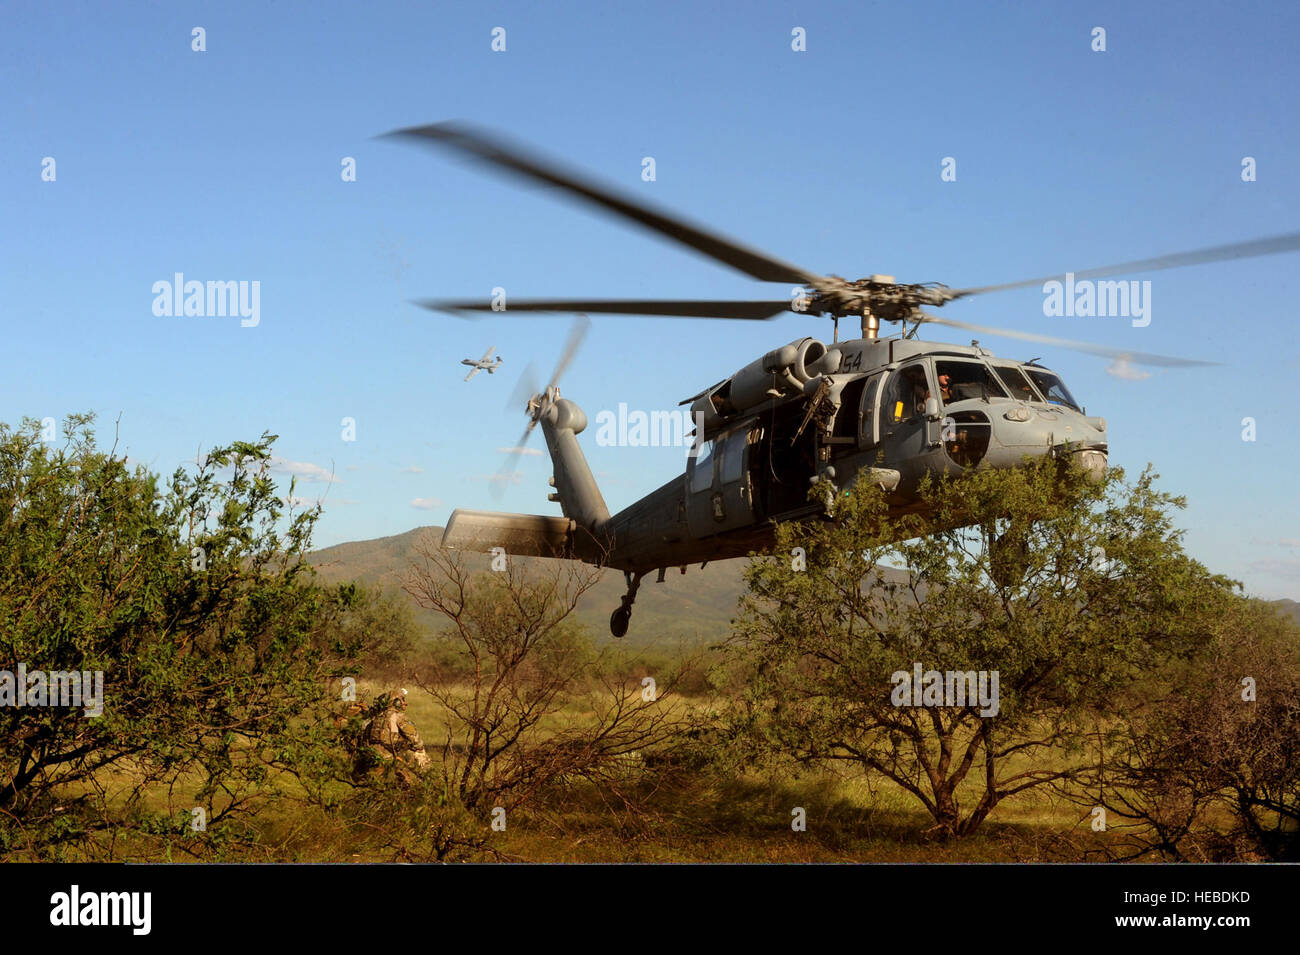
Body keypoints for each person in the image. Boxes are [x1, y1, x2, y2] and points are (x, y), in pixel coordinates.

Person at [354, 687, 430, 785]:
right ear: (396, 702)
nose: (404, 703)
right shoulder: (397, 716)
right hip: (389, 756)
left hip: (371, 753)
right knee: (421, 756)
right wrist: (420, 749)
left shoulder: (378, 716)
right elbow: (414, 738)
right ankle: (426, 784)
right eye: (402, 700)